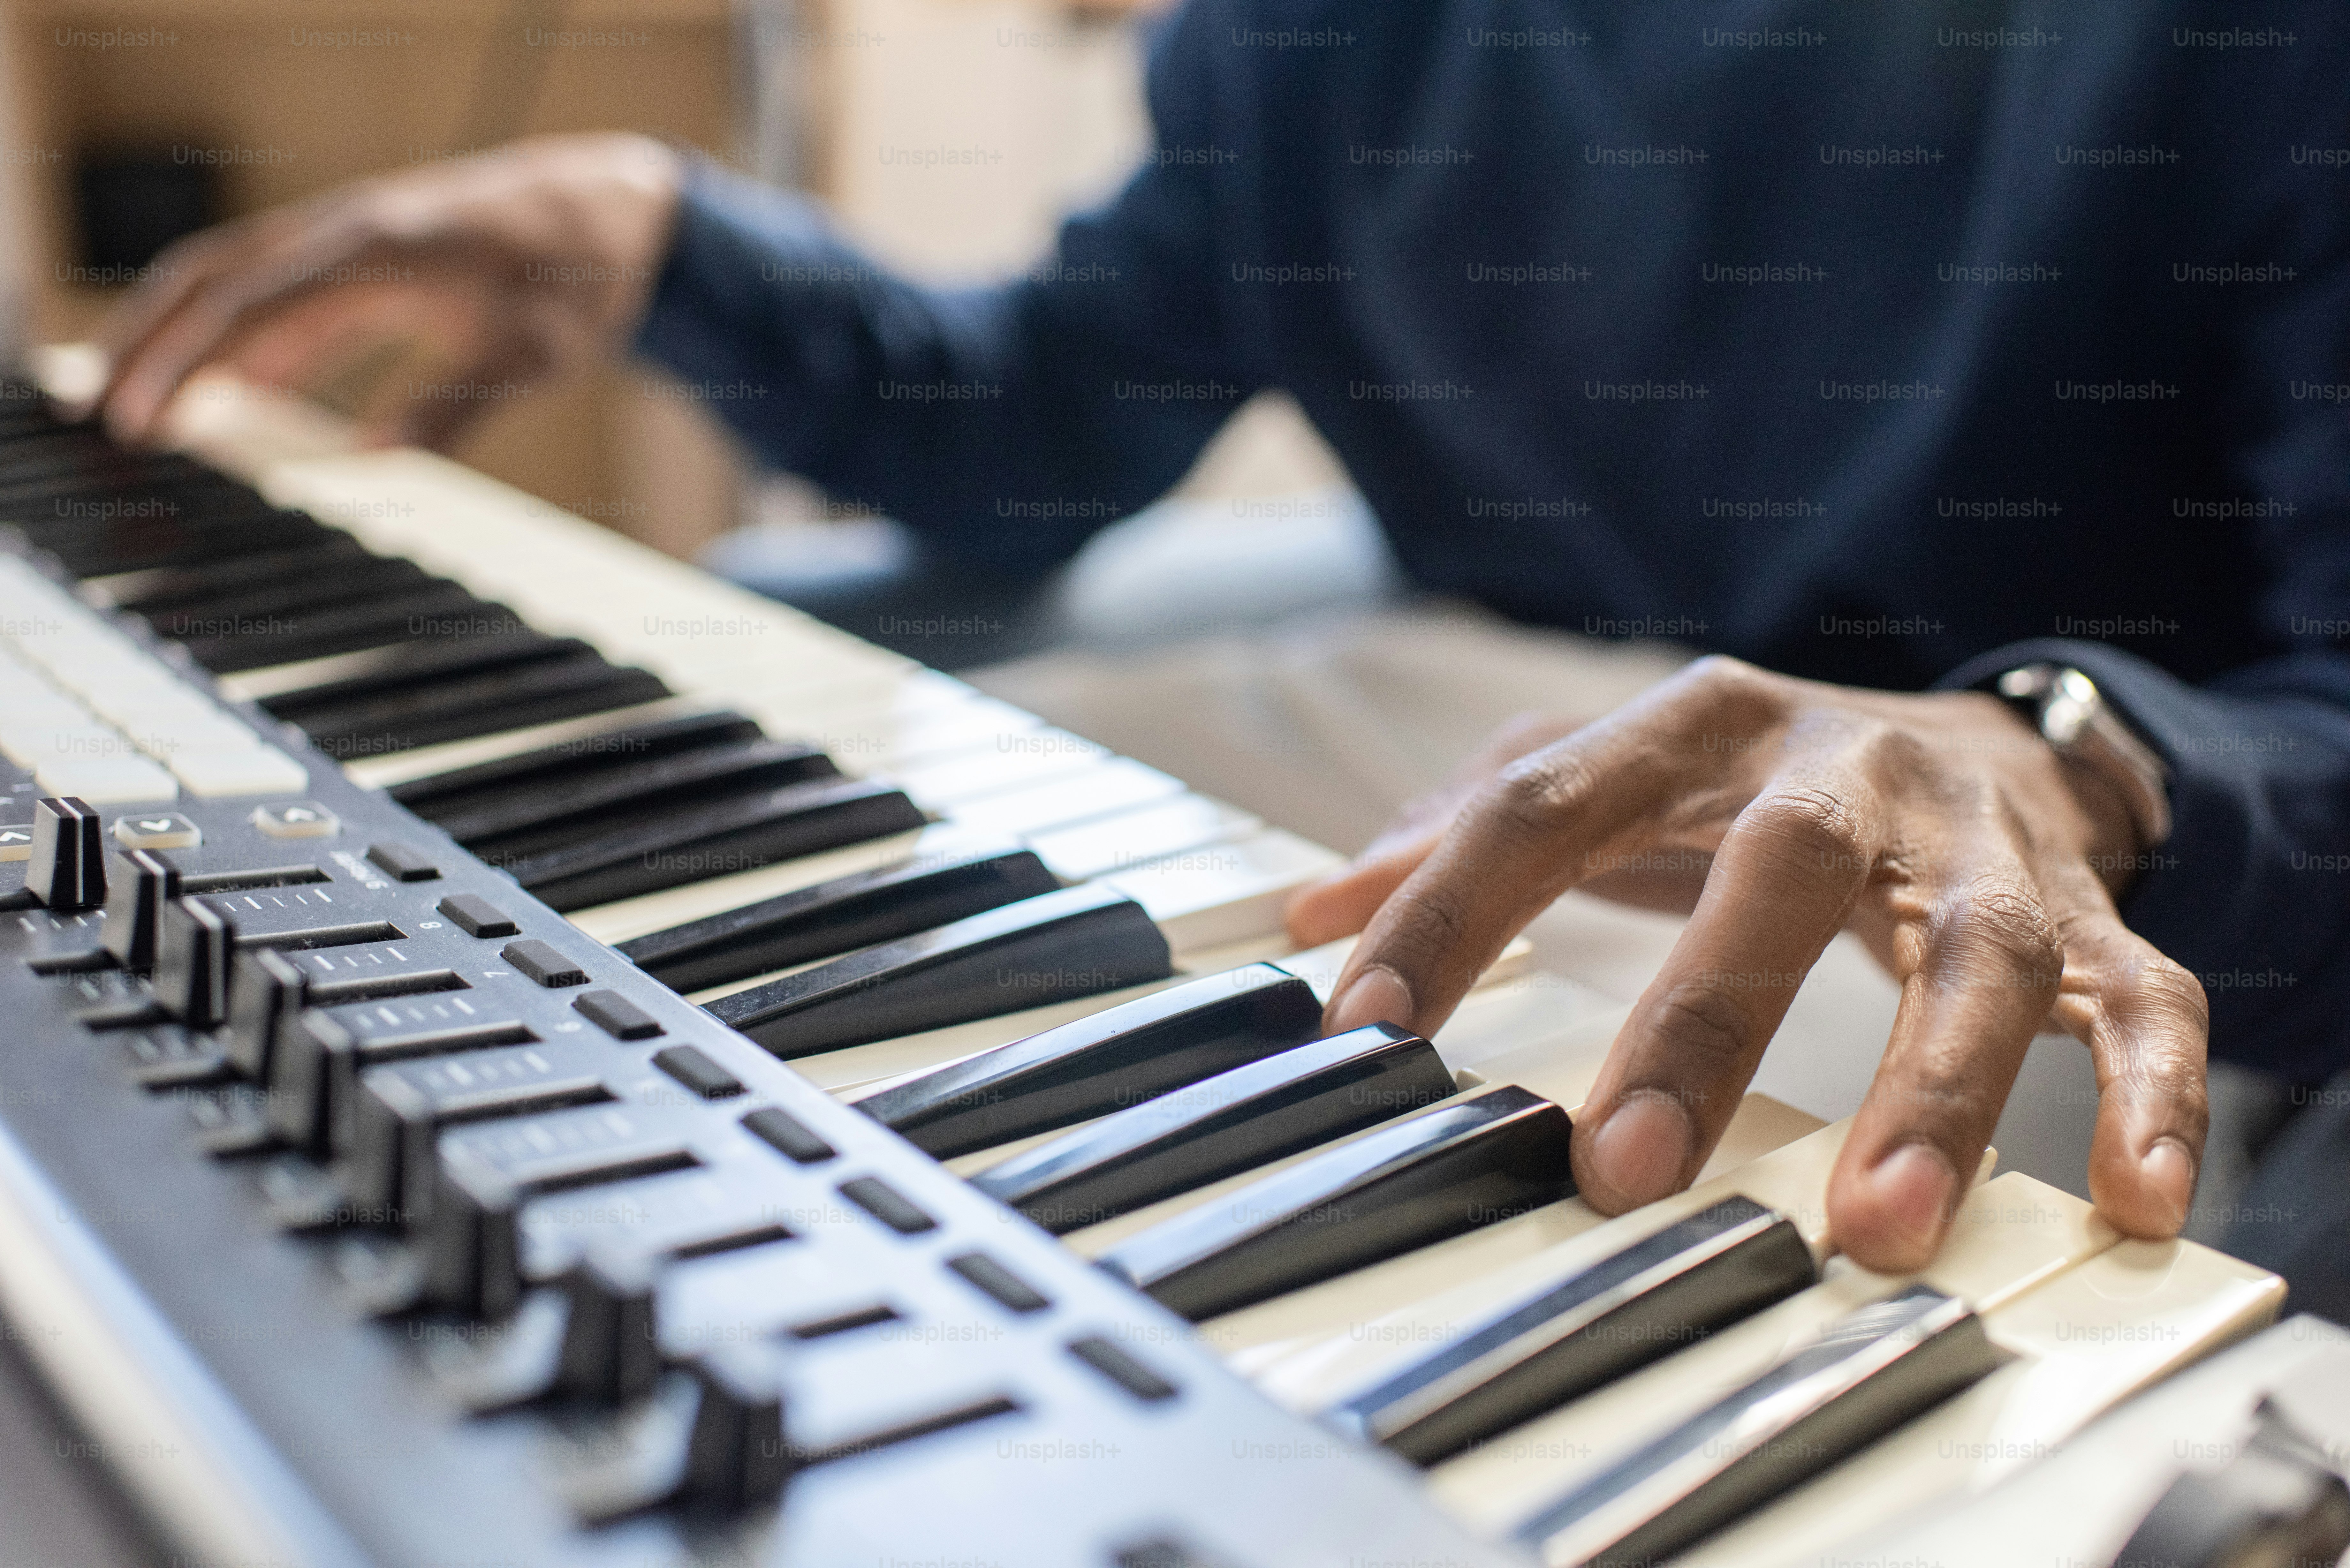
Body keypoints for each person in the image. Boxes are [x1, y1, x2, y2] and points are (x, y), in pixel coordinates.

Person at [81, 2, 2350, 1279]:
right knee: (719, 668)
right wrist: (660, 232)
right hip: (1582, 714)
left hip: (2161, 857)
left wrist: (2074, 745)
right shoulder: (1309, 45)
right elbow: (1044, 416)